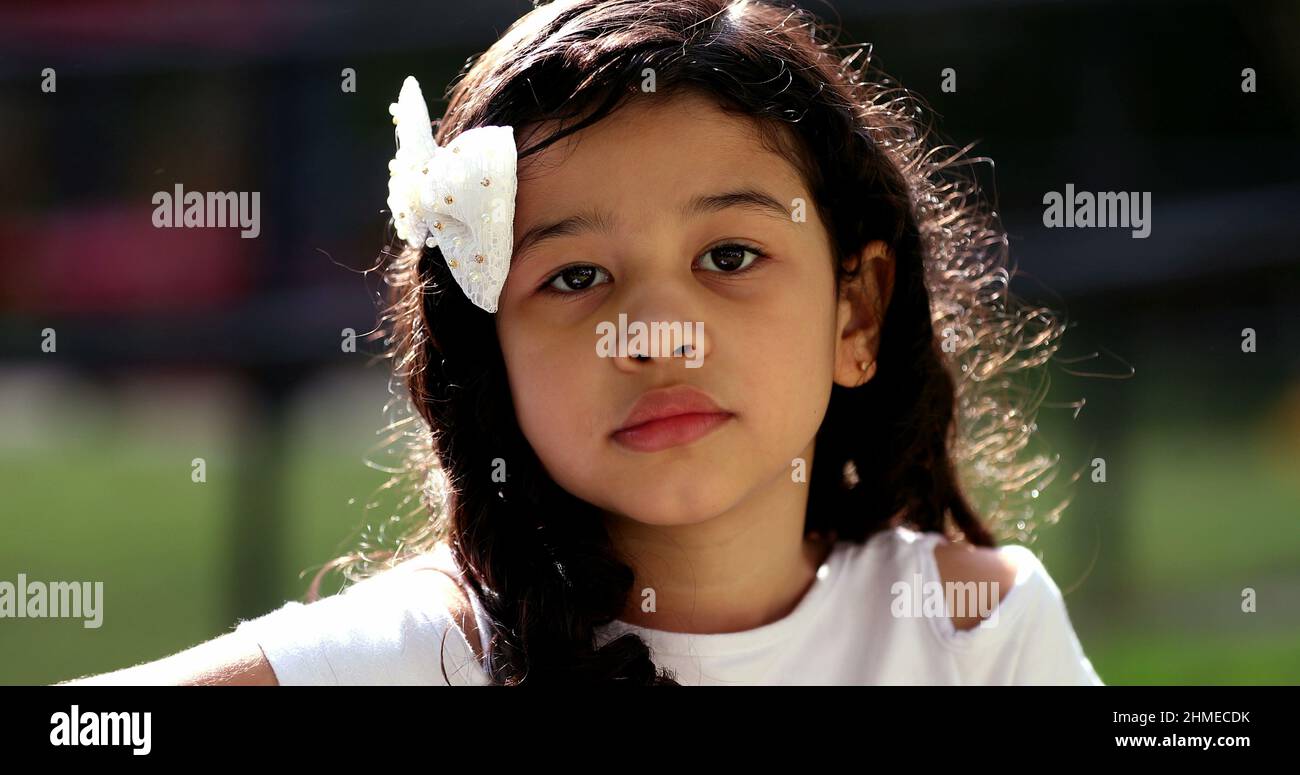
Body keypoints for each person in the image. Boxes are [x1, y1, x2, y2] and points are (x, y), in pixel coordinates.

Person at [60, 0, 1102, 686]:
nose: (656, 334)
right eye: (573, 278)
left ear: (856, 314)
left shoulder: (974, 632)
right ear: (490, 356)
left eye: (730, 256)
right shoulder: (427, 653)